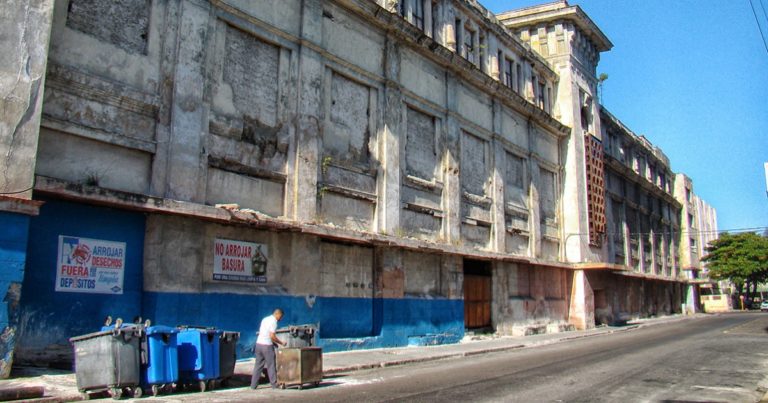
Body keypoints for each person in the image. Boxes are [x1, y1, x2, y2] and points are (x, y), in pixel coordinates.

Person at [250, 308, 286, 389]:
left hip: (258, 344)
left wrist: (274, 343)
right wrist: (281, 343)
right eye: (281, 316)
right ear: (278, 314)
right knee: (271, 365)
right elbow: (272, 336)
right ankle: (274, 384)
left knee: (258, 366)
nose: (281, 318)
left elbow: (264, 333)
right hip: (267, 346)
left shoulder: (265, 319)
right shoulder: (274, 322)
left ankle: (253, 385)